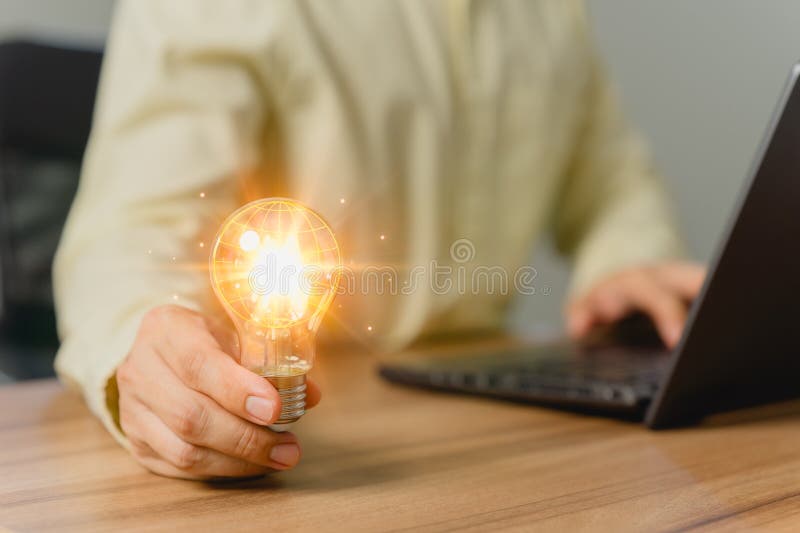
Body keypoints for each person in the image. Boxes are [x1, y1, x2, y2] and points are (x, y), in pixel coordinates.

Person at [53, 0, 705, 480]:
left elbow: (615, 182)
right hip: (324, 438)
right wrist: (152, 356)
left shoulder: (551, 15)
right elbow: (134, 234)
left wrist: (629, 262)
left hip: (488, 435)